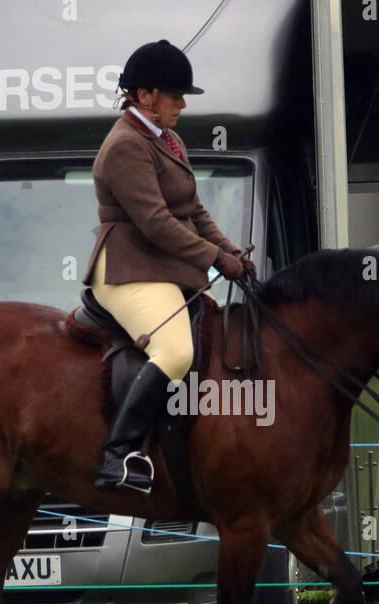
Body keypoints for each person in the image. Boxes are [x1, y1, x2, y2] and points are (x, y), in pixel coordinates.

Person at [83, 39, 254, 494]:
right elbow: (156, 223)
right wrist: (215, 259)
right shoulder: (125, 146)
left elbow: (195, 212)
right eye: (175, 95)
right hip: (127, 268)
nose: (182, 103)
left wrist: (232, 253)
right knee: (176, 352)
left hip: (166, 266)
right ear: (145, 96)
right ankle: (116, 456)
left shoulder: (169, 140)